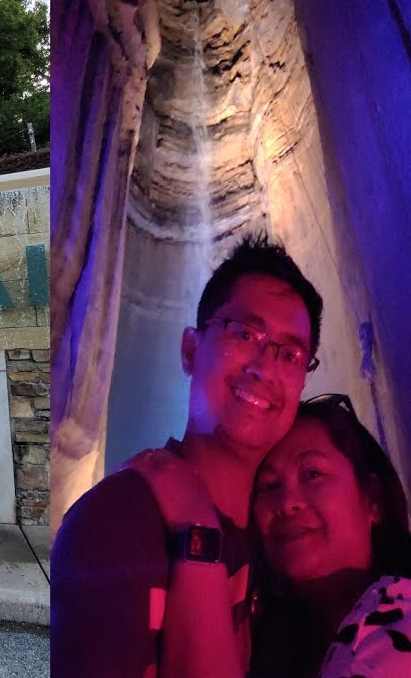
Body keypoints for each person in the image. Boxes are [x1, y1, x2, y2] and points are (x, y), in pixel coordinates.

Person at [50, 234, 325, 678]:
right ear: (191, 350)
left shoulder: (280, 541)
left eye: (290, 354)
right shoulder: (114, 523)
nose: (264, 366)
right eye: (244, 333)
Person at [134, 395, 411, 677]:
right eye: (269, 485)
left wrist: (195, 525)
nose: (287, 502)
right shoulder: (272, 645)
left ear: (372, 499)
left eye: (313, 474)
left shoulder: (398, 625)